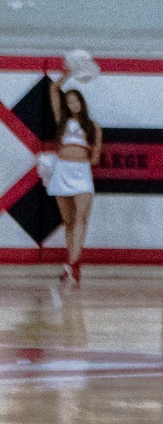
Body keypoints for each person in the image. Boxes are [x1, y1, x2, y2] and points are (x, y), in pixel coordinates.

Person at [44, 82, 100, 283]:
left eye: (76, 101)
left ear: (82, 103)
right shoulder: (63, 121)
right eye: (69, 102)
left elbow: (95, 158)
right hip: (62, 171)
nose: (73, 105)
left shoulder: (93, 127)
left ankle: (72, 263)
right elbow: (53, 90)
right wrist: (67, 72)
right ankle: (73, 263)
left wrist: (82, 155)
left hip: (82, 173)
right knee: (68, 221)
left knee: (81, 219)